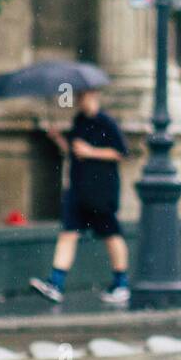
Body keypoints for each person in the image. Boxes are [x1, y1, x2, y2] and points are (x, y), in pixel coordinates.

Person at [29, 88, 131, 304]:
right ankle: (55, 283)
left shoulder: (106, 122)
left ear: (94, 95)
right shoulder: (79, 121)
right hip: (78, 189)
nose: (77, 100)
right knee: (68, 233)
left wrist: (91, 151)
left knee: (111, 234)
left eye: (81, 96)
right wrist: (58, 138)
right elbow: (74, 151)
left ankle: (121, 283)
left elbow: (121, 152)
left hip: (101, 191)